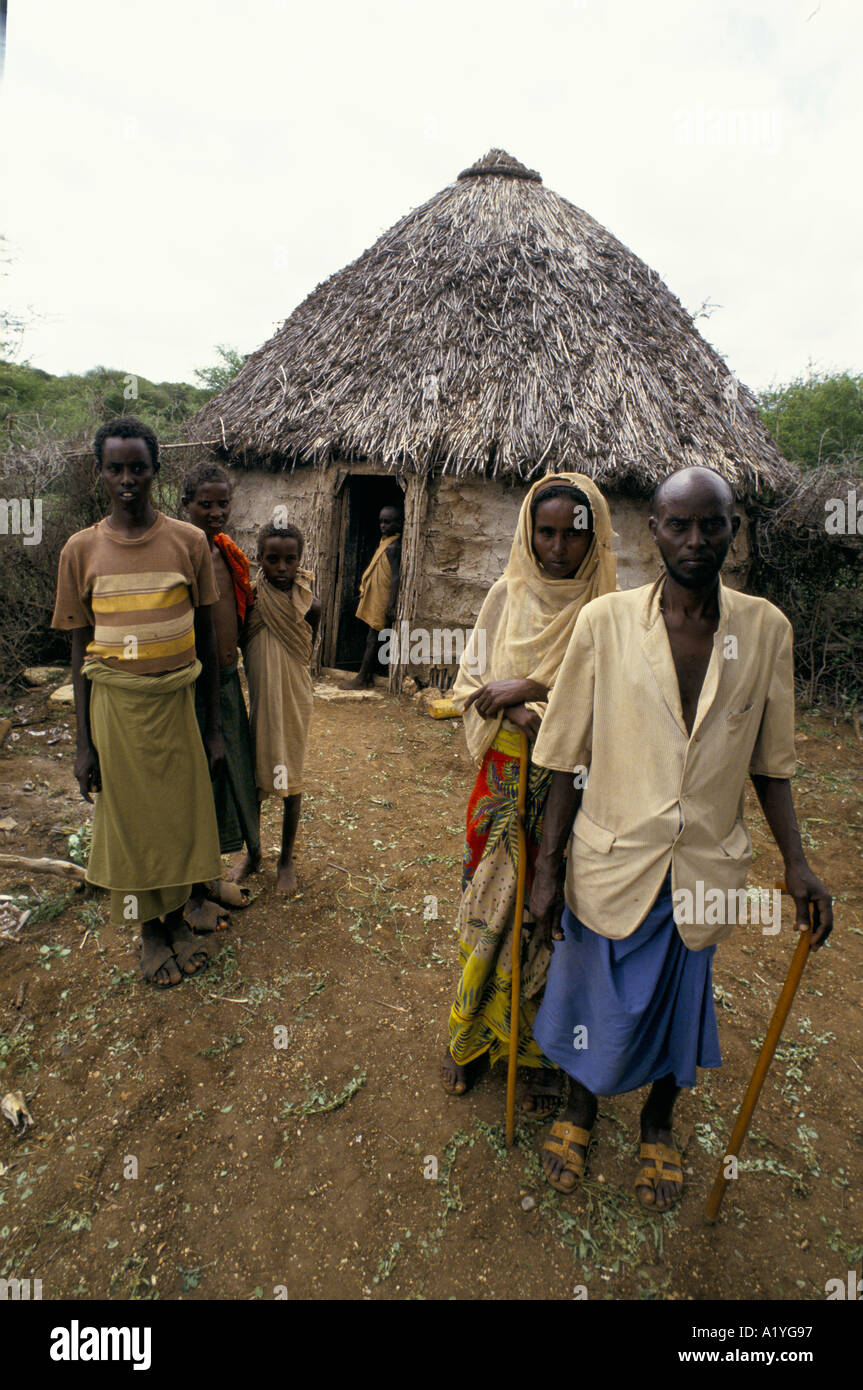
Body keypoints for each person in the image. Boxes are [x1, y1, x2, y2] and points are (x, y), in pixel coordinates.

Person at [529, 466, 833, 1209]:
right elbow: (565, 759)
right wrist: (544, 870)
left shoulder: (764, 631)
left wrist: (797, 862)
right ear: (652, 531)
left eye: (713, 524)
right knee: (587, 994)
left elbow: (771, 764)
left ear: (733, 530)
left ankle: (658, 1125)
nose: (696, 540)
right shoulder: (604, 625)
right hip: (610, 856)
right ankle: (577, 1112)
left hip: (700, 864)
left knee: (677, 1000)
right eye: (679, 524)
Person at [440, 473, 618, 1114]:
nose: (557, 546)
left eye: (572, 533)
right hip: (503, 781)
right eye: (544, 532)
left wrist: (533, 688)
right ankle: (469, 1038)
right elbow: (468, 681)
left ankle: (536, 1052)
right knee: (489, 908)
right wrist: (507, 706)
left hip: (571, 788)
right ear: (527, 532)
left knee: (547, 915)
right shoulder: (504, 597)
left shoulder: (606, 612)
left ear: (592, 536)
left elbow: (607, 695)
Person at [51, 416, 225, 988]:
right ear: (100, 473)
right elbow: (79, 648)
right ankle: (150, 934)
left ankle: (176, 918)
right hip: (118, 711)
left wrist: (215, 728)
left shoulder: (189, 541)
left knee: (177, 818)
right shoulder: (81, 550)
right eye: (115, 468)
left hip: (177, 703)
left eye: (138, 468)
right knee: (132, 823)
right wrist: (83, 744)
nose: (127, 479)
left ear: (156, 472)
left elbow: (208, 636)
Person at [181, 462, 261, 912]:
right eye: (205, 504)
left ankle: (224, 865)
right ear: (185, 504)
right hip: (194, 684)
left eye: (223, 503)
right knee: (199, 779)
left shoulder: (227, 555)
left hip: (229, 682)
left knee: (232, 774)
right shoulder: (181, 556)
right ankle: (194, 888)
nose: (215, 512)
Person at [242, 520, 321, 895]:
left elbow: (305, 651)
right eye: (273, 560)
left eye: (291, 560)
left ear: (300, 560)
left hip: (293, 698)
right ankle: (253, 853)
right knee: (256, 776)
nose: (283, 568)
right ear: (259, 560)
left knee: (291, 777)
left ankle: (285, 857)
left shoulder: (310, 604)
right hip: (260, 699)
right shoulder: (251, 600)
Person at [349, 505, 402, 688]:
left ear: (398, 524)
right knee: (372, 637)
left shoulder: (393, 547)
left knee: (373, 638)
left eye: (388, 522)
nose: (383, 525)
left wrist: (391, 604)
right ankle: (367, 676)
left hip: (383, 598)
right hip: (377, 596)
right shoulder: (384, 542)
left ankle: (363, 678)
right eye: (381, 521)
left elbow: (395, 577)